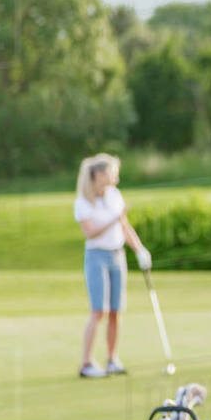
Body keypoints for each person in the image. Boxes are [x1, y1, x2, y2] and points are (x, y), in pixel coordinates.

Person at [74, 153, 151, 379]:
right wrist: (114, 218)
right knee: (99, 311)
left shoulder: (115, 195)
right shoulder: (83, 202)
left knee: (116, 311)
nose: (115, 177)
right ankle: (86, 363)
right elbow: (90, 232)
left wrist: (140, 249)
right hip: (96, 256)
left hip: (117, 255)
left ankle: (112, 360)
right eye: (112, 172)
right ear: (99, 174)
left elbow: (124, 226)